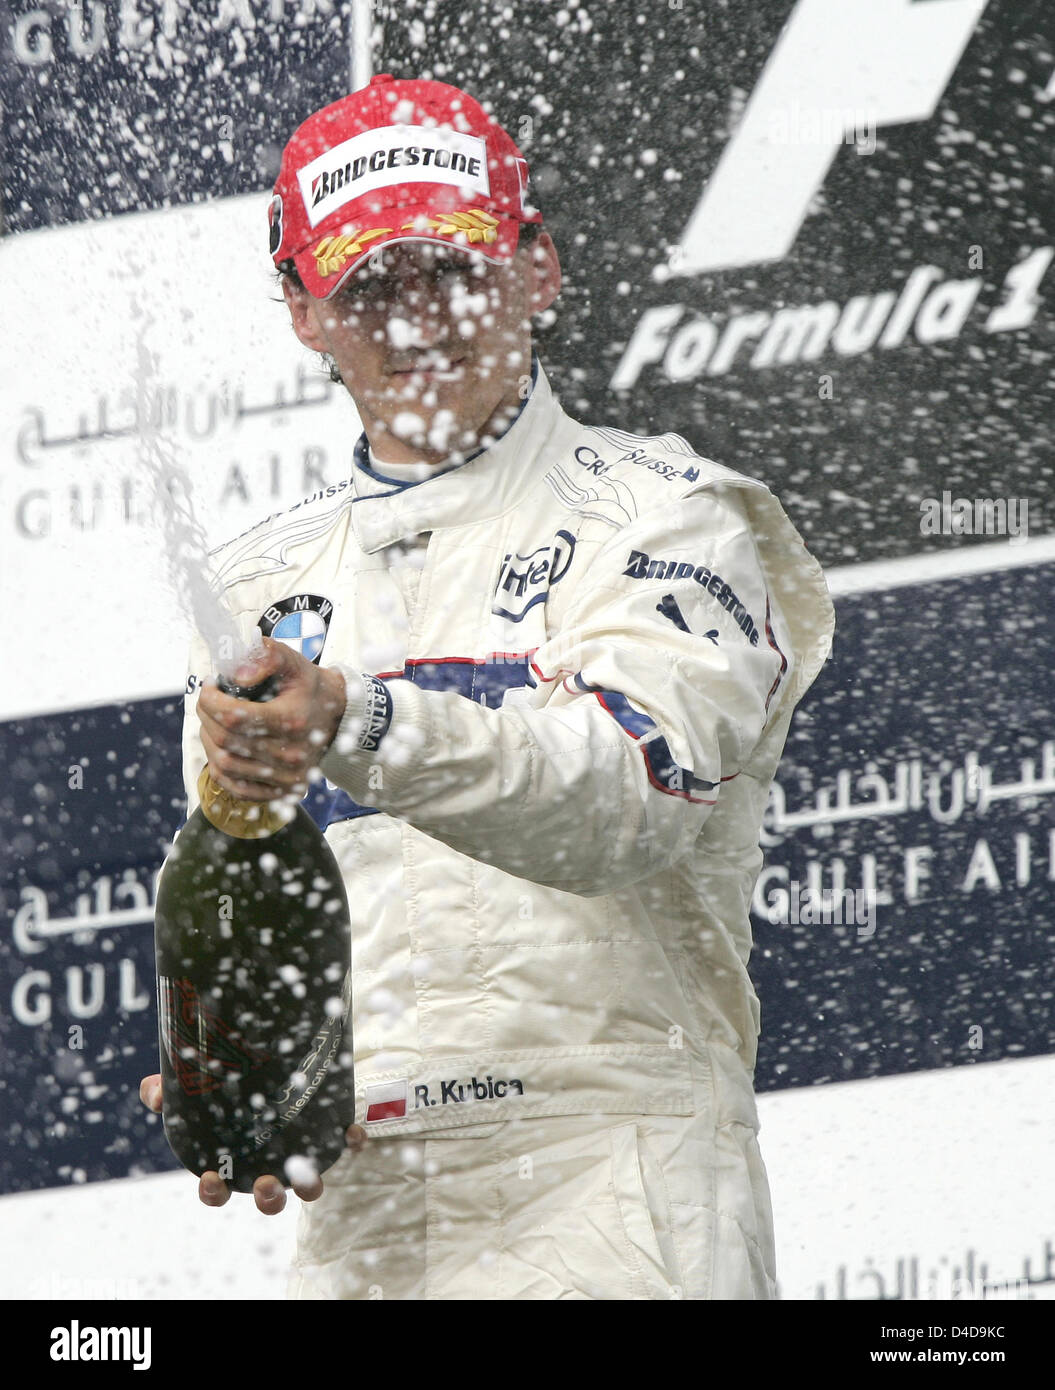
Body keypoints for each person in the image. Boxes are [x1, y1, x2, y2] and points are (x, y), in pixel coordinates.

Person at [141, 72, 835, 1300]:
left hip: (614, 1178)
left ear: (537, 267)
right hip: (363, 1211)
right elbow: (252, 899)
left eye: (450, 270)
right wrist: (233, 1056)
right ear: (304, 313)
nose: (419, 321)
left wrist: (354, 715)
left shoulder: (666, 517)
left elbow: (623, 803)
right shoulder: (262, 587)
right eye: (370, 287)